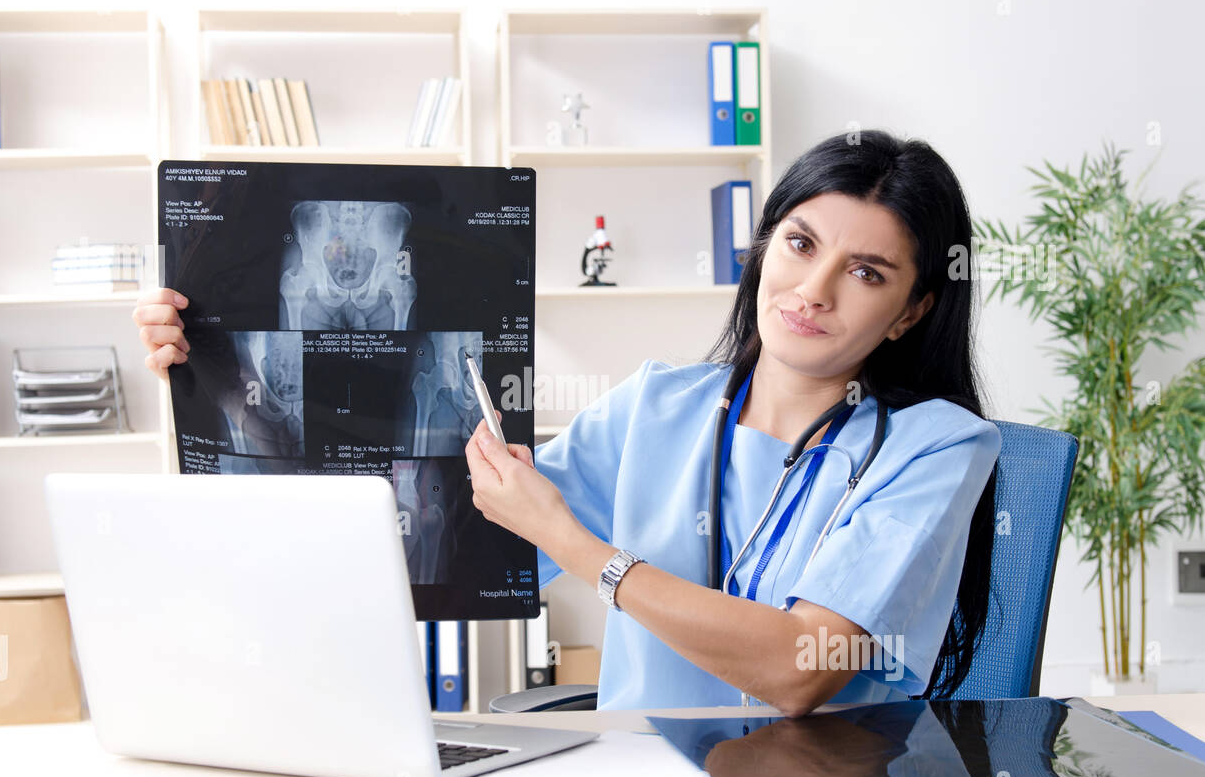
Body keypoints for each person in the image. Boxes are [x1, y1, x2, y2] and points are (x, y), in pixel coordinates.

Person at [133, 129, 1001, 717]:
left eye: (868, 272)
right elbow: (442, 536)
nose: (814, 290)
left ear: (909, 310)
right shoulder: (658, 405)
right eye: (802, 245)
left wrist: (595, 556)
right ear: (764, 246)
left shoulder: (938, 446)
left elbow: (798, 666)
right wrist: (217, 373)